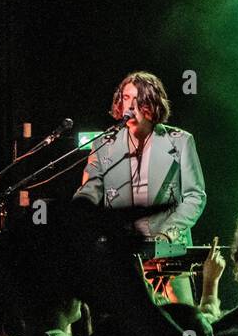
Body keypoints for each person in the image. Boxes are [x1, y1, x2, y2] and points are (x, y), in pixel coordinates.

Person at [74, 72, 206, 303]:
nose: (131, 106)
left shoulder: (180, 140)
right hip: (123, 251)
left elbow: (195, 196)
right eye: (126, 98)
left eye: (140, 99)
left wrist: (169, 231)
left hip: (169, 251)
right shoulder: (104, 143)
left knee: (182, 319)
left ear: (153, 103)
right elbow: (90, 188)